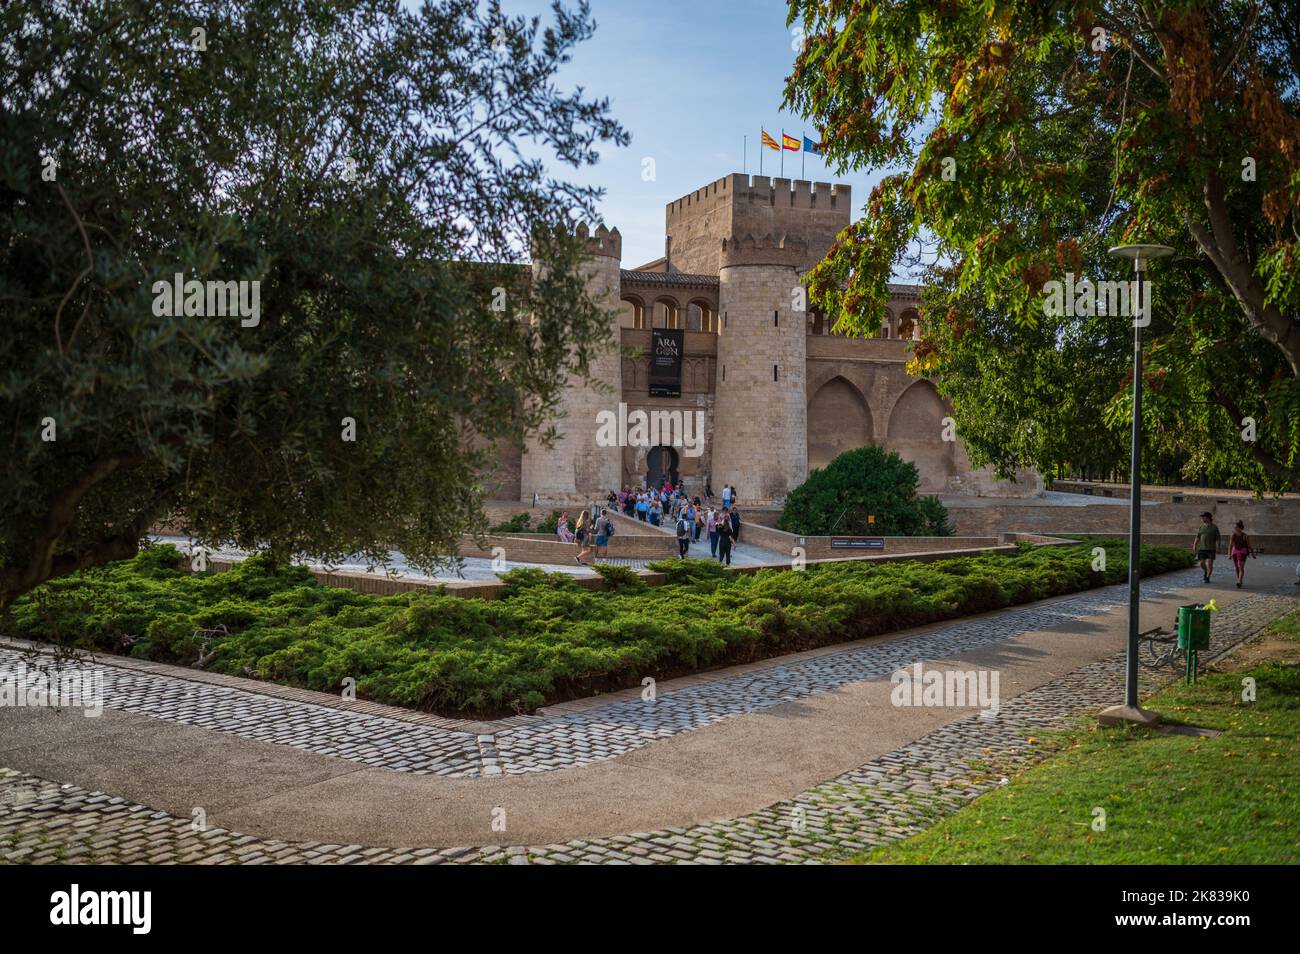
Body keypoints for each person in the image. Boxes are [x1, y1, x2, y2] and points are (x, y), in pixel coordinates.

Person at [1194, 512, 1220, 583]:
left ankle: (1207, 577)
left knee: (1210, 564)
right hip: (1202, 548)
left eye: (1203, 517)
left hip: (1211, 549)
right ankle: (1206, 571)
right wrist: (1195, 545)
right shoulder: (1201, 526)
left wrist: (1218, 547)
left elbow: (1217, 538)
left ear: (1208, 518)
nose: (1202, 518)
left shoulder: (1214, 527)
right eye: (1202, 517)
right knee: (1201, 563)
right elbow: (1198, 537)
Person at [1228, 521, 1254, 588]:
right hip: (1235, 552)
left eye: (1236, 527)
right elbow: (1230, 545)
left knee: (1241, 567)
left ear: (1240, 528)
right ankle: (1239, 580)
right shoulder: (1233, 535)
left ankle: (1239, 581)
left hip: (1243, 552)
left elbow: (1249, 545)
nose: (1235, 528)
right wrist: (1229, 554)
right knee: (1237, 567)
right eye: (1235, 527)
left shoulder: (1245, 536)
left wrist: (1252, 553)